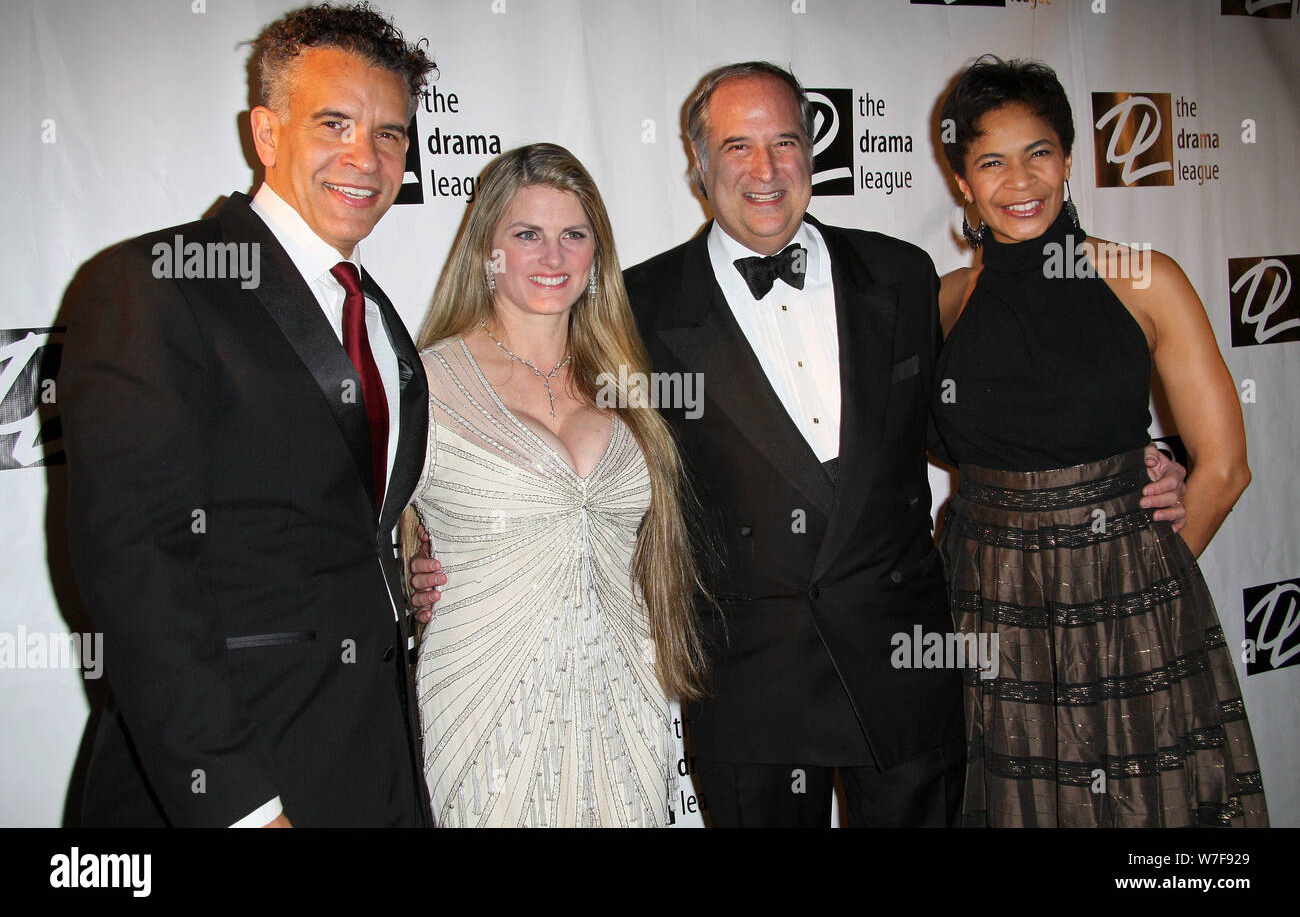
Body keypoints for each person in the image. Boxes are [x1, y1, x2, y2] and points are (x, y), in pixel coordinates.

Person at [413, 61, 1187, 827]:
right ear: (699, 164)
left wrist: (1138, 463)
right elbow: (549, 448)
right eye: (738, 147)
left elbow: (969, 423)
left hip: (905, 665)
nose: (766, 169)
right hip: (748, 683)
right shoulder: (638, 309)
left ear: (812, 153)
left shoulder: (903, 273)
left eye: (784, 142)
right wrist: (438, 552)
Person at [59, 2, 437, 827]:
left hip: (376, 762)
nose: (364, 157)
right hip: (232, 782)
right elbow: (138, 575)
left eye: (390, 134)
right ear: (266, 134)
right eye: (333, 122)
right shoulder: (157, 284)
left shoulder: (376, 316)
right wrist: (242, 808)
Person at [933, 56, 1268, 826]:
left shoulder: (1143, 280)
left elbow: (1224, 467)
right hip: (987, 598)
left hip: (1125, 597)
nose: (1021, 180)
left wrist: (1150, 579)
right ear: (963, 183)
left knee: (1144, 806)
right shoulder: (946, 301)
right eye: (992, 160)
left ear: (1070, 158)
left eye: (1038, 152)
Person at [401, 143, 707, 827]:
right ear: (487, 249)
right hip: (483, 703)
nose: (553, 257)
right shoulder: (426, 382)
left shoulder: (625, 377)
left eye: (574, 235)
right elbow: (337, 545)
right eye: (527, 234)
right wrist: (406, 583)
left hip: (626, 694)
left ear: (596, 254)